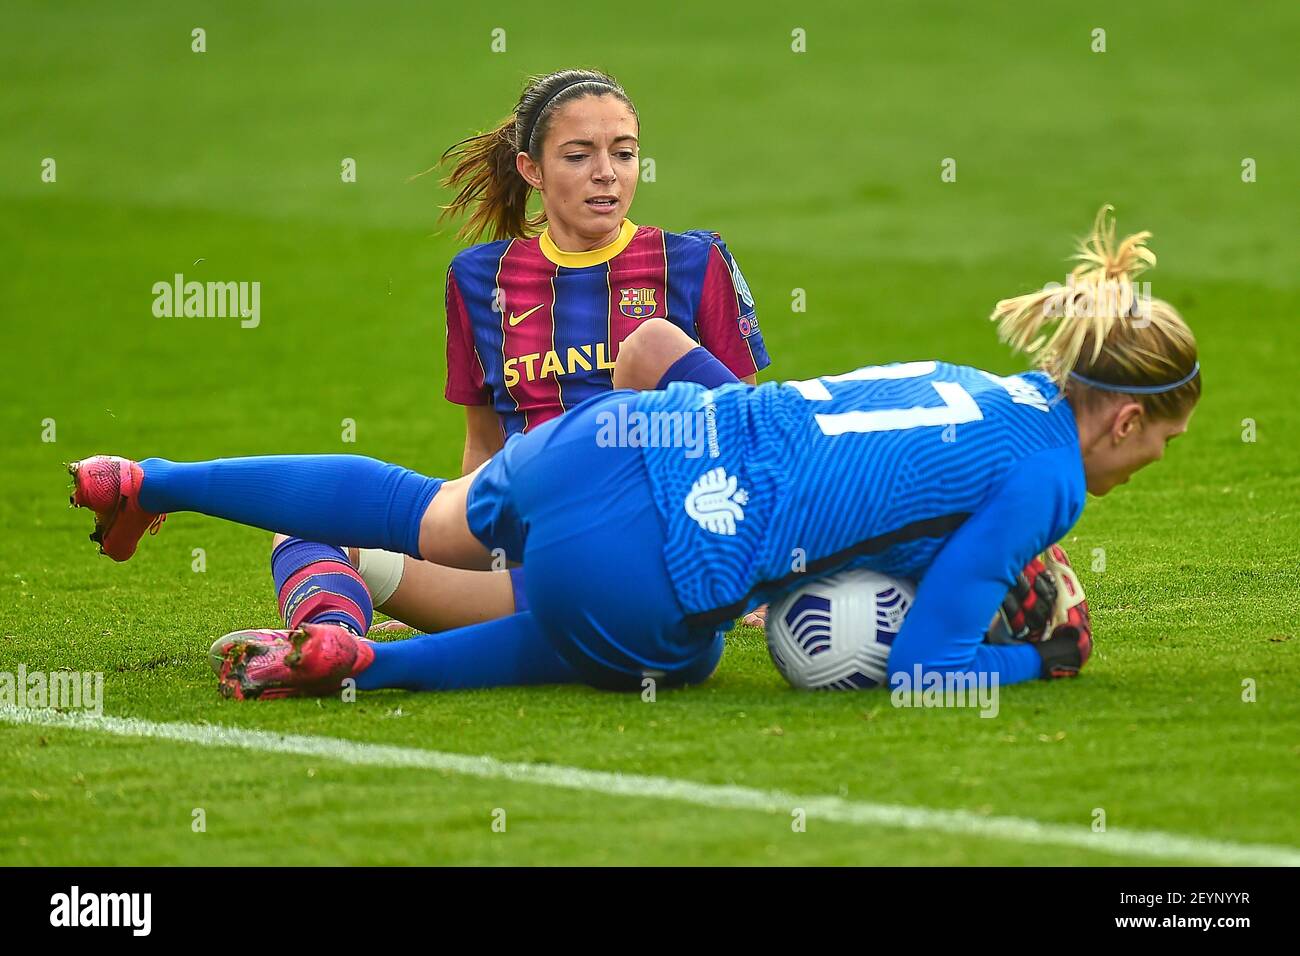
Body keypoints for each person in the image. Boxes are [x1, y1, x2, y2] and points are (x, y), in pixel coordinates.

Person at [69, 208, 1195, 698]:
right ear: (1125, 417)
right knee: (677, 660)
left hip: (614, 432)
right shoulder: (1047, 476)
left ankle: (147, 479)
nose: (1152, 461)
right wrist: (1035, 661)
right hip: (660, 561)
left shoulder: (970, 383)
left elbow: (863, 476)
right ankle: (374, 664)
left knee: (423, 507)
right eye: (1164, 441)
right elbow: (923, 669)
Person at [268, 68, 772, 641]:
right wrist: (457, 540)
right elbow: (482, 445)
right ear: (531, 169)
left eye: (624, 153)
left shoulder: (696, 262)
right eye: (579, 155)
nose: (607, 173)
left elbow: (744, 435)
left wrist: (742, 568)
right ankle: (325, 640)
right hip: (523, 536)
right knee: (300, 525)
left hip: (655, 547)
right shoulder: (479, 278)